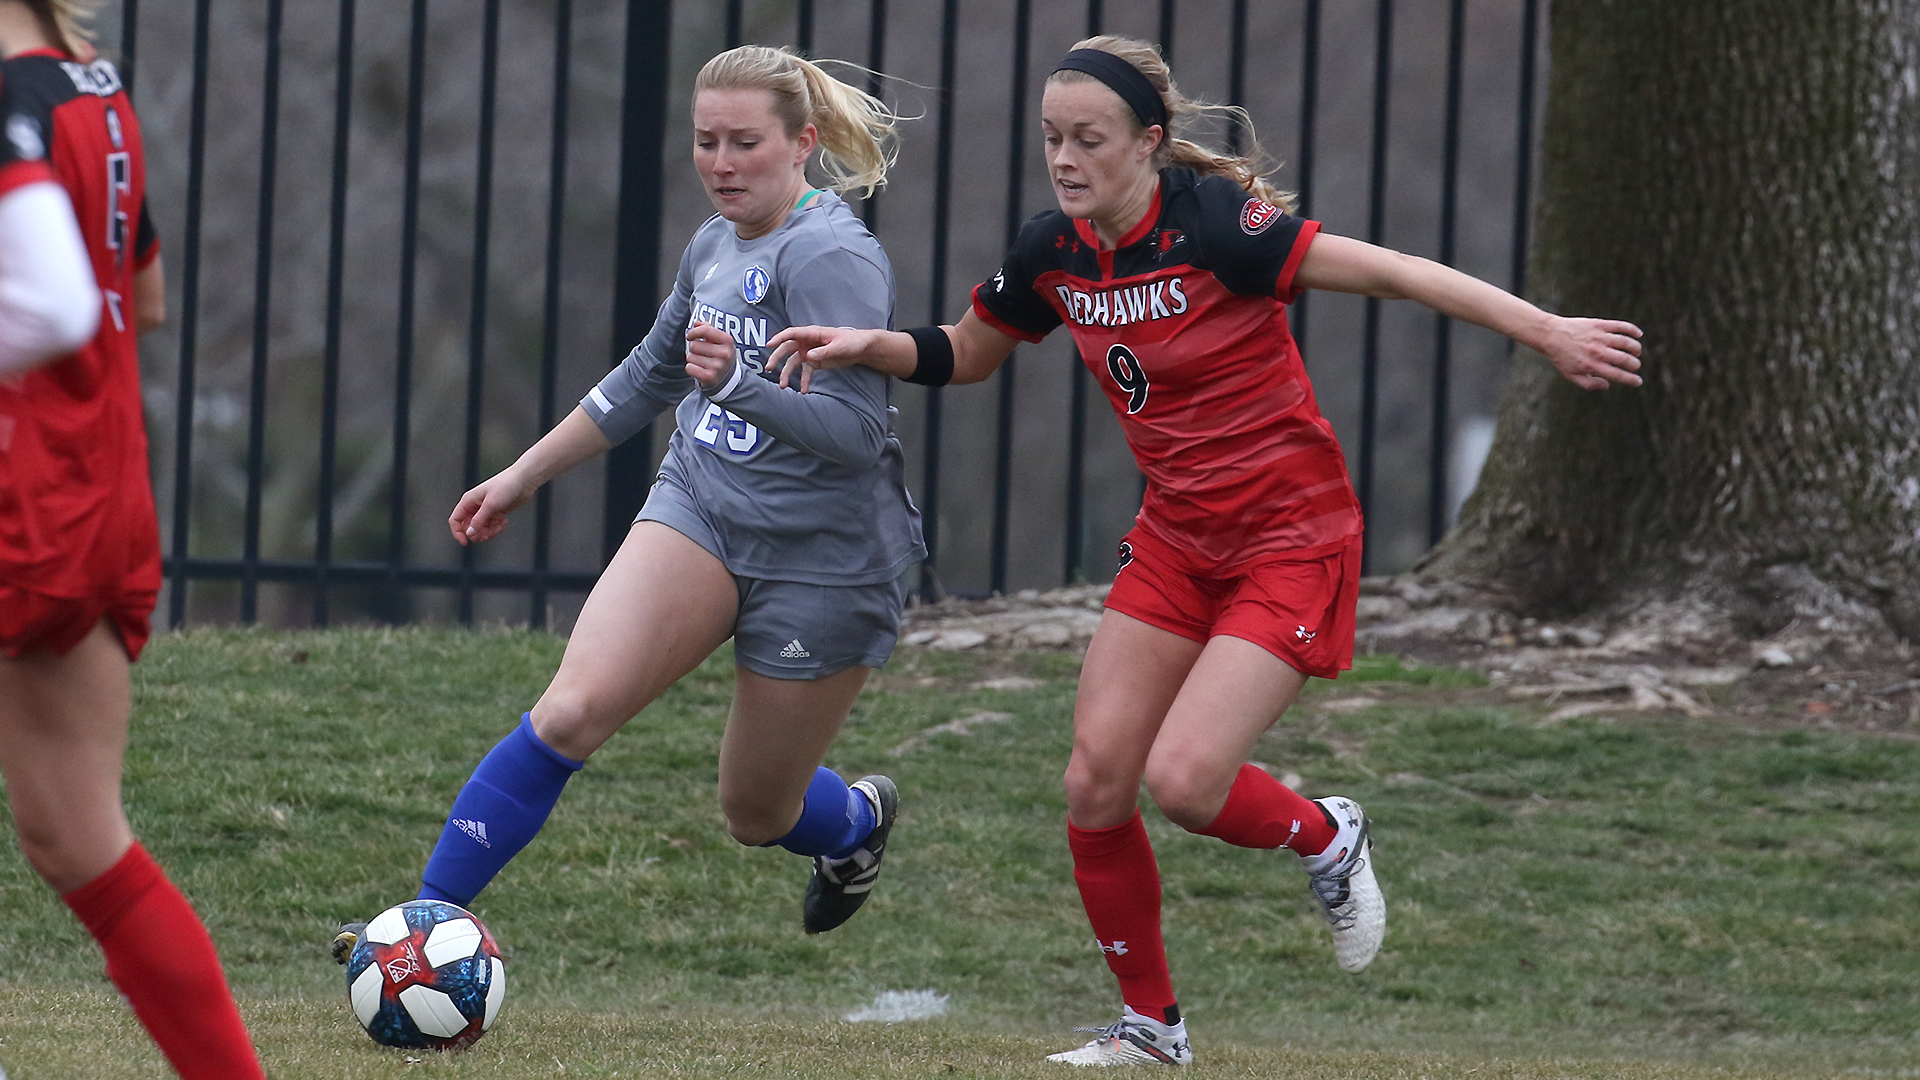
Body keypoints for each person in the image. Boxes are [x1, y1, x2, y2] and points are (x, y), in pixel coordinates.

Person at [770, 34, 1643, 1066]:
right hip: (1178, 542)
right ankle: (1152, 1030)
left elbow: (1398, 272)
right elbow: (969, 351)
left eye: (1089, 139)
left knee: (1184, 783)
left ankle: (1326, 834)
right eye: (1052, 138)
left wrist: (1542, 330)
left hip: (1290, 539)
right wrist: (876, 345)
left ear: (1150, 140)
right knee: (1097, 784)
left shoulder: (1222, 227)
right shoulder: (1055, 250)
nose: (1065, 159)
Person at [332, 44, 923, 963]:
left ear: (803, 143)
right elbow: (652, 373)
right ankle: (418, 934)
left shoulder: (835, 257)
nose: (721, 165)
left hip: (825, 560)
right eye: (706, 143)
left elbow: (855, 437)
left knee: (755, 808)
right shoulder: (714, 242)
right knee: (570, 711)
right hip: (703, 507)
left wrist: (740, 389)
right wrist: (522, 475)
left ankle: (852, 822)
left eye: (745, 144)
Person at [0, 2, 268, 1078]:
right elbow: (140, 298)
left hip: (27, 491)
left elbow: (60, 305)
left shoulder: (16, 99)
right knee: (78, 842)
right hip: (96, 486)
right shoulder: (87, 90)